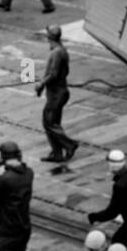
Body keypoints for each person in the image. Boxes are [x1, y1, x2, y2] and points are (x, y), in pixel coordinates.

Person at [35, 25, 78, 164]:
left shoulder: (56, 53)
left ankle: (69, 145)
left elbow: (53, 74)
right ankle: (57, 153)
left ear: (49, 38)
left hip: (56, 94)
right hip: (59, 91)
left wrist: (41, 84)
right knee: (54, 123)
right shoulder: (62, 50)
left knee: (48, 123)